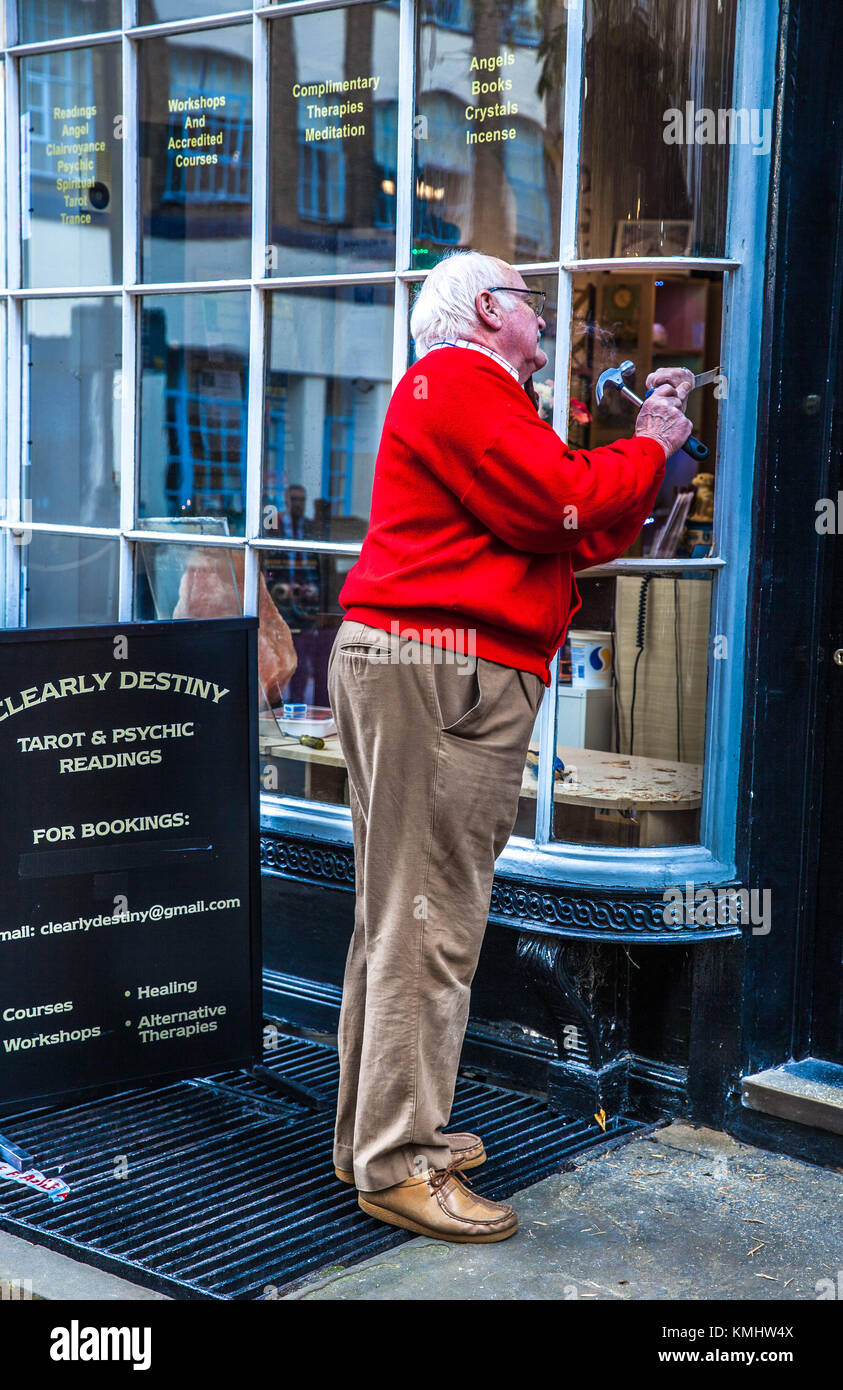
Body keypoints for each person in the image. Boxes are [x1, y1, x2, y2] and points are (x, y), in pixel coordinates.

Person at [326, 249, 695, 1243]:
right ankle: (399, 1159)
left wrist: (667, 455)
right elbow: (554, 501)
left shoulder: (468, 395)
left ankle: (376, 1140)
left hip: (421, 667)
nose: (547, 321)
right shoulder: (461, 380)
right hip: (443, 672)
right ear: (488, 310)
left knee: (396, 915)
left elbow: (570, 528)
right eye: (532, 304)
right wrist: (650, 445)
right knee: (429, 921)